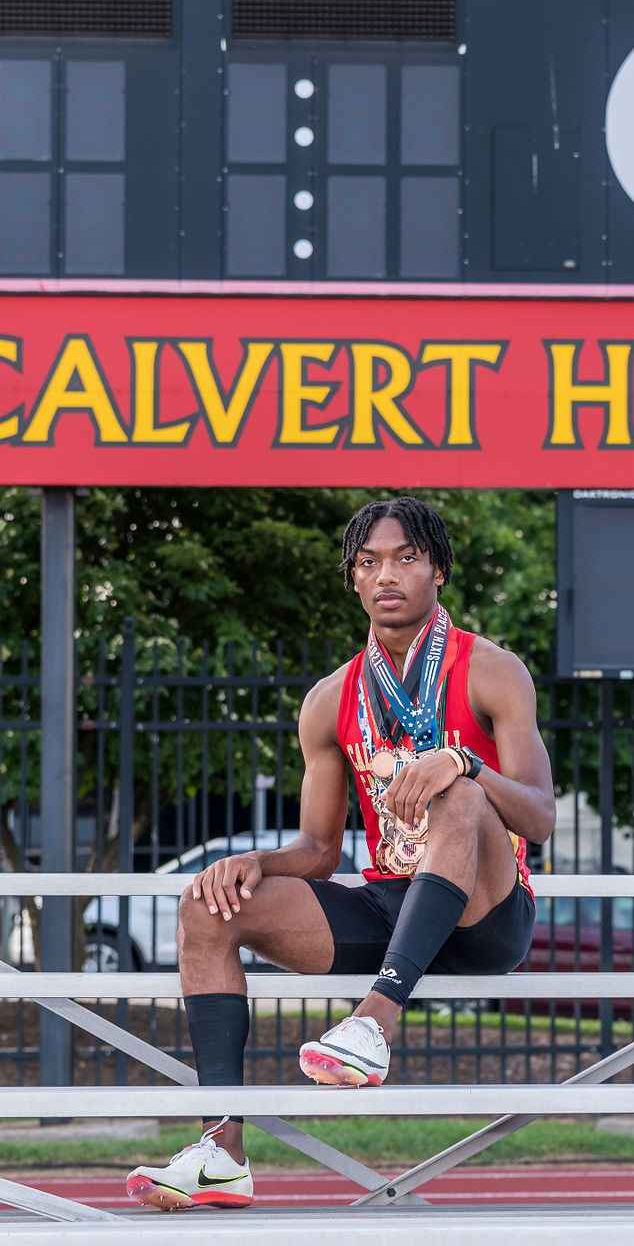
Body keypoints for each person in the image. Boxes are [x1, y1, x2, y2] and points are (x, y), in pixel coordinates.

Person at [126, 497, 555, 1210]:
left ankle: (372, 1024)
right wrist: (258, 864)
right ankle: (221, 1151)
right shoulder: (331, 699)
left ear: (438, 571)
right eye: (368, 562)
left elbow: (539, 819)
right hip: (396, 903)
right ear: (352, 579)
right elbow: (321, 852)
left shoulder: (493, 670)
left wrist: (463, 765)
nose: (386, 575)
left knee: (462, 795)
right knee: (208, 905)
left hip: (485, 914)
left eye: (405, 558)